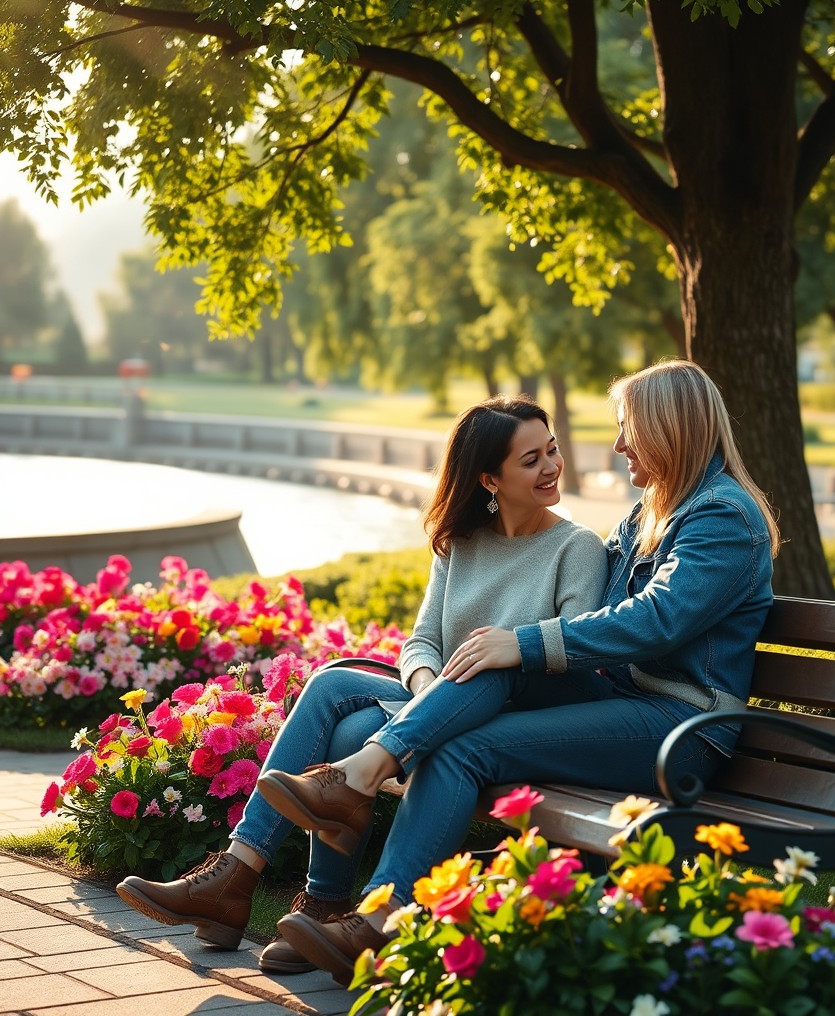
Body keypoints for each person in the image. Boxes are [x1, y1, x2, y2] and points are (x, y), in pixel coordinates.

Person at [271, 359, 780, 984]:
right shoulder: (655, 508)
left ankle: (382, 912)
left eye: (627, 428)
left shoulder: (721, 516)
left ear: (668, 428)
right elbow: (609, 621)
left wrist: (526, 644)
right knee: (444, 667)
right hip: (626, 705)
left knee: (471, 734)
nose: (618, 444)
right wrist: (515, 648)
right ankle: (342, 843)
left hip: (683, 727)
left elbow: (658, 620)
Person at [115, 395, 608, 972]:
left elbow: (567, 655)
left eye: (551, 451)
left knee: (356, 726)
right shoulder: (460, 543)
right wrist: (429, 694)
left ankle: (301, 901)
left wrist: (453, 694)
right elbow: (422, 643)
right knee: (332, 689)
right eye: (531, 460)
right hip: (443, 701)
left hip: (520, 717)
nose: (551, 467)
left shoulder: (577, 548)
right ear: (488, 478)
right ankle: (252, 877)